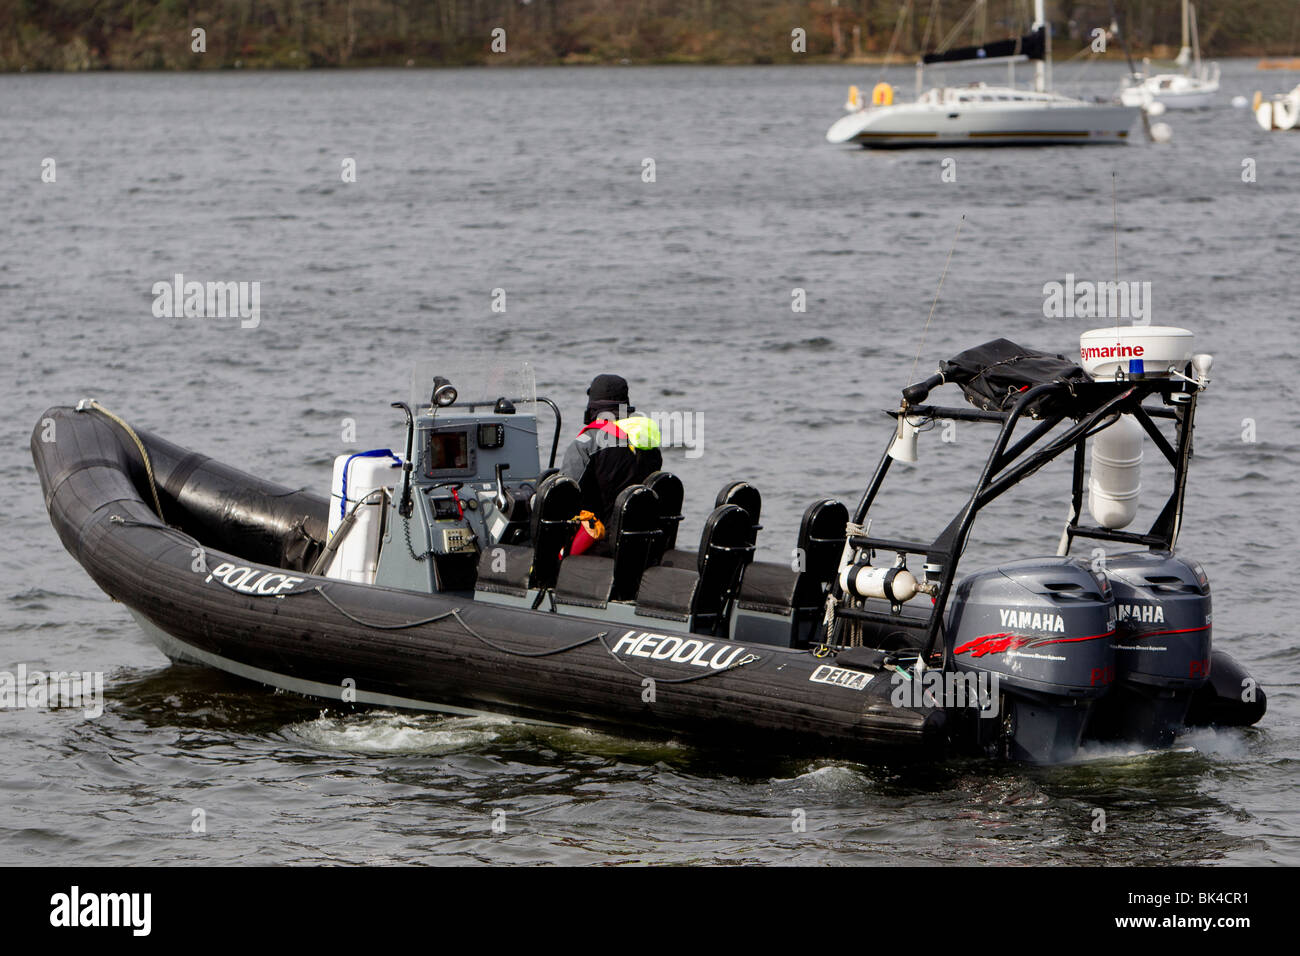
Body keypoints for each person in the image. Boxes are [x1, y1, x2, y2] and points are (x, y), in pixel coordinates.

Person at [559, 374, 662, 556]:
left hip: (599, 545)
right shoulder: (647, 441)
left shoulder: (588, 442)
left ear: (592, 405)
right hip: (642, 543)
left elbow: (564, 495)